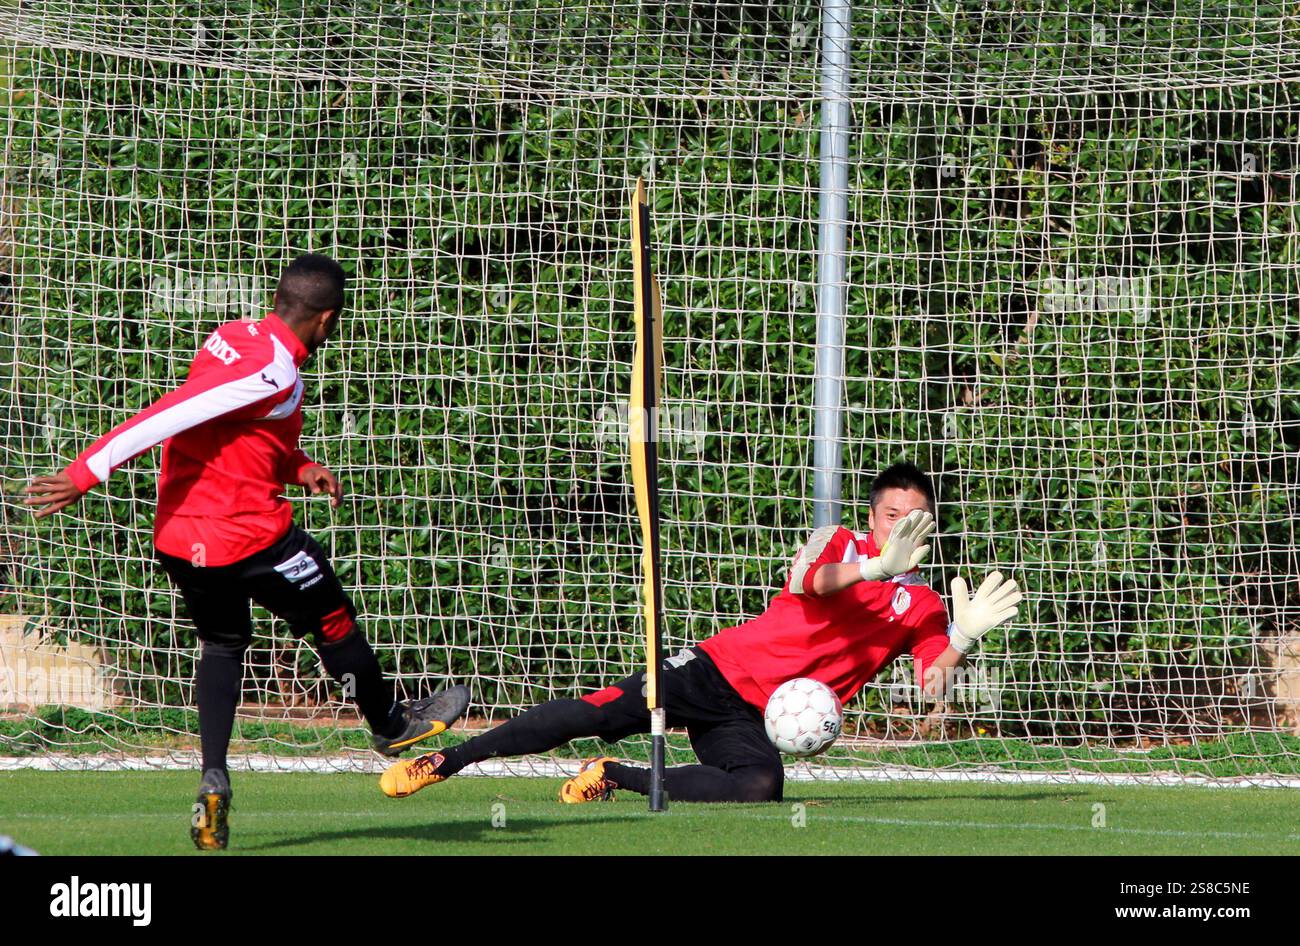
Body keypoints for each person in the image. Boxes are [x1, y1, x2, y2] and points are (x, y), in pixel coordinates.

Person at [25, 253, 469, 849]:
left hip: (180, 540)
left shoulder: (234, 337)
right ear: (327, 318)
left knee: (223, 643)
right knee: (334, 621)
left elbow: (226, 431)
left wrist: (299, 466)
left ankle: (213, 779)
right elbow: (169, 414)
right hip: (247, 537)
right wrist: (86, 472)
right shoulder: (274, 372)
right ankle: (391, 724)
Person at [378, 461, 1021, 804]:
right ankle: (446, 760)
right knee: (595, 710)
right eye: (890, 515)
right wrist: (878, 566)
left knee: (759, 786)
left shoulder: (926, 605)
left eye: (916, 519)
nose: (900, 526)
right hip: (712, 669)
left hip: (758, 716)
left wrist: (961, 637)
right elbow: (809, 583)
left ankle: (616, 776)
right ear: (872, 515)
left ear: (932, 524)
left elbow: (930, 683)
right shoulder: (842, 543)